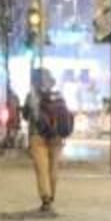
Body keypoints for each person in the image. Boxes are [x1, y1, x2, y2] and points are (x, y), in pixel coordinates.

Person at [25, 69, 71, 211]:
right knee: (53, 167)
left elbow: (26, 115)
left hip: (37, 135)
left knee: (42, 168)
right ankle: (52, 195)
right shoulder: (59, 95)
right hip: (56, 136)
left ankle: (46, 198)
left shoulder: (32, 95)